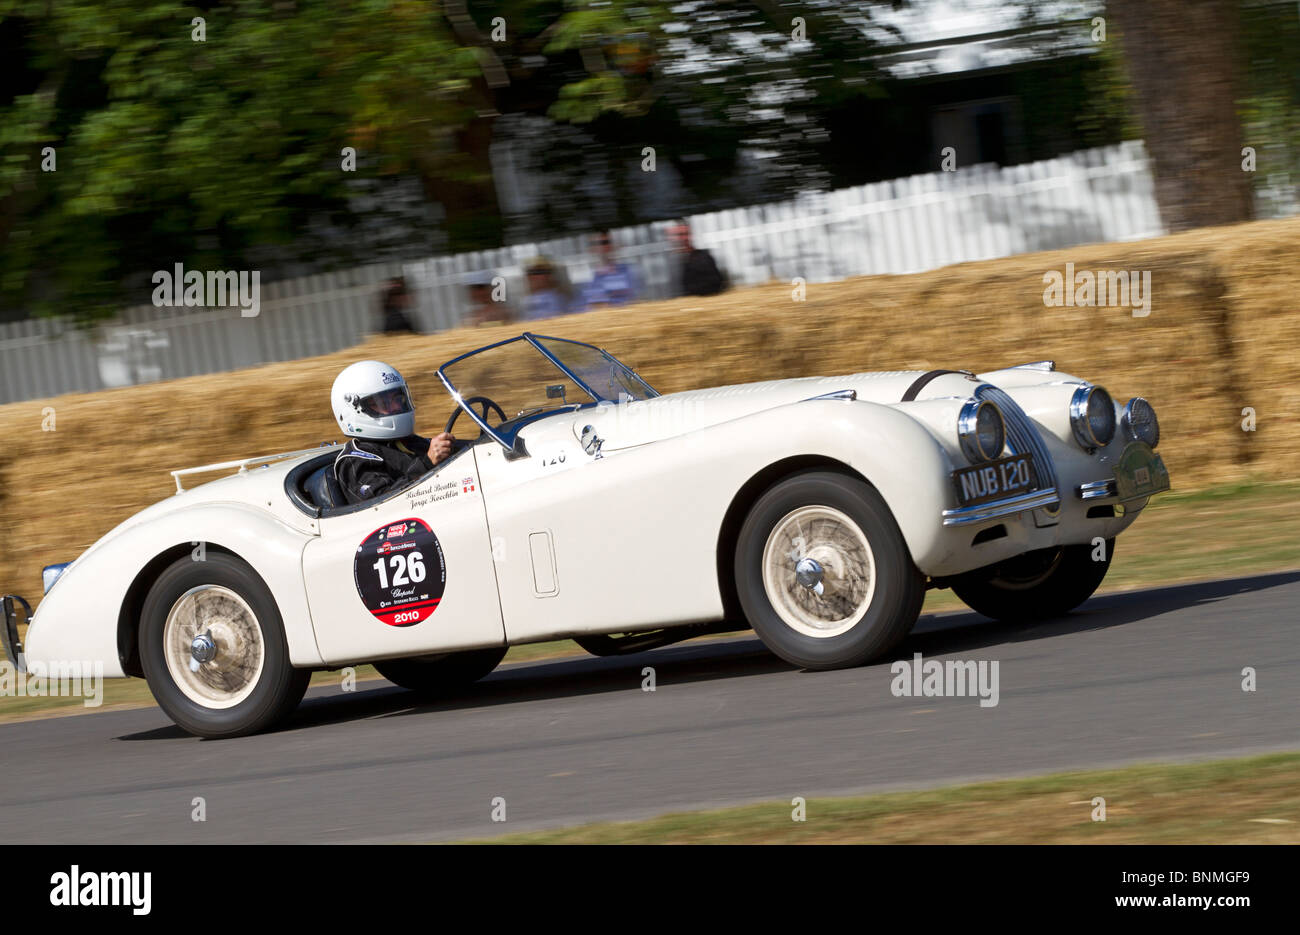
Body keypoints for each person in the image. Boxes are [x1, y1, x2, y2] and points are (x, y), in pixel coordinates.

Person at [330, 360, 455, 504]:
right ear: (357, 409)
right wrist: (426, 463)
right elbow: (383, 502)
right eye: (383, 403)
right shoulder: (356, 460)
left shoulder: (408, 442)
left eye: (398, 399)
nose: (396, 406)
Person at [581, 230, 639, 308]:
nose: (602, 247)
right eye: (597, 244)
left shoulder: (629, 271)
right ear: (591, 249)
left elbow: (635, 299)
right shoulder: (585, 276)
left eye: (606, 242)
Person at [668, 219, 726, 297]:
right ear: (669, 237)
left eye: (686, 234)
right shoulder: (667, 264)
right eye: (678, 235)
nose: (683, 238)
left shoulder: (703, 258)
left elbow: (716, 286)